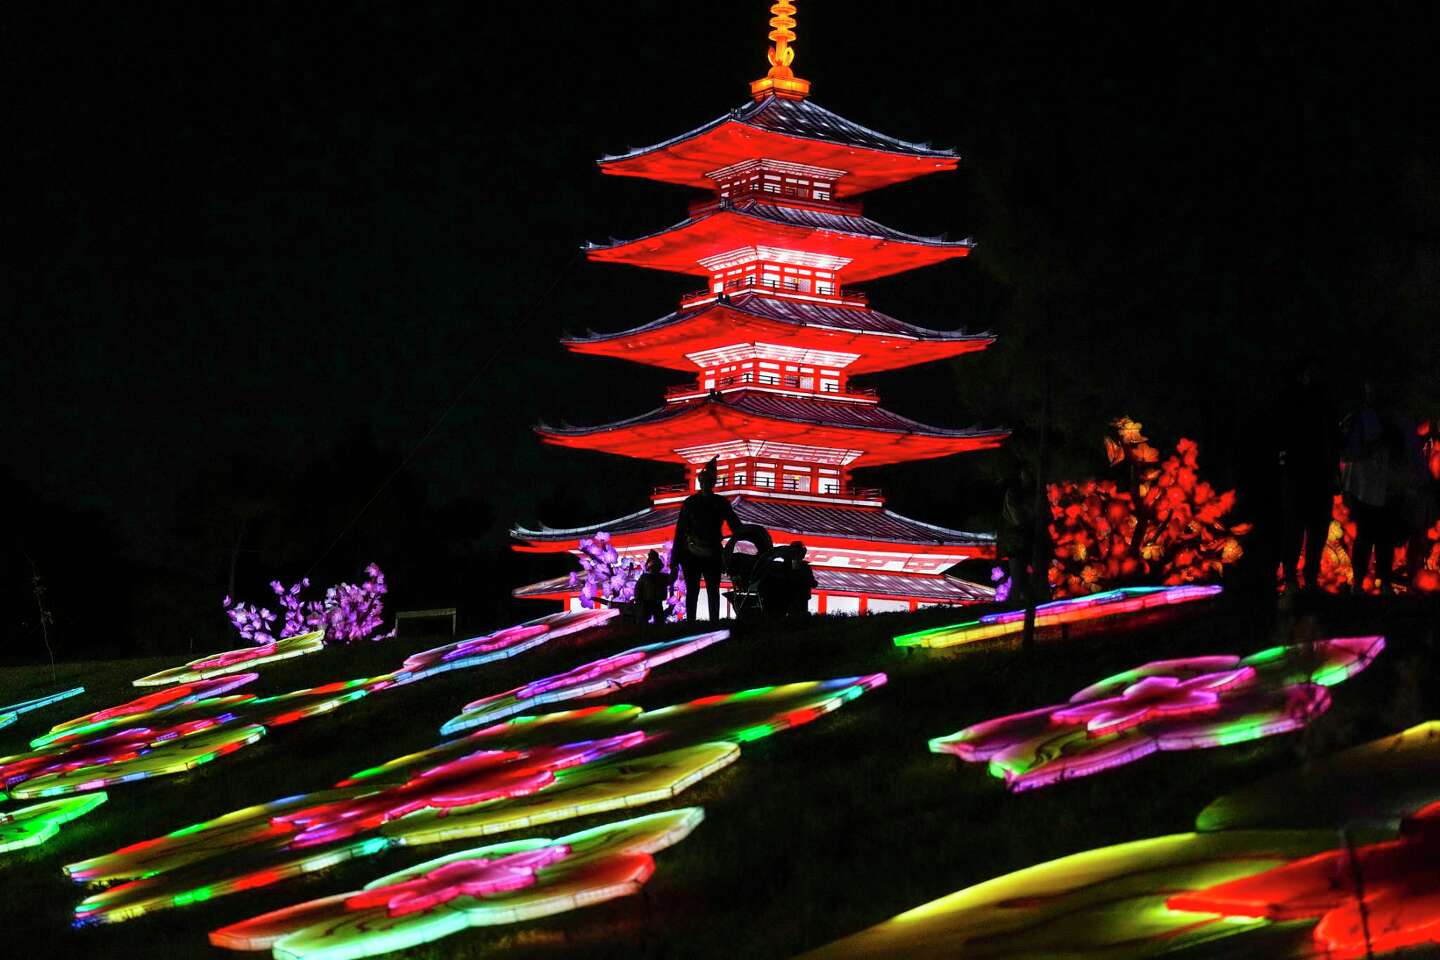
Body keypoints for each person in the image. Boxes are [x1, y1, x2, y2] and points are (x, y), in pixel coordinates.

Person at [1277, 360, 1338, 593]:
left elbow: (1332, 439)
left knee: (1315, 529)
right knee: (1297, 527)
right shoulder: (1292, 402)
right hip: (1300, 474)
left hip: (1317, 475)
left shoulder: (1324, 404)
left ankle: (1308, 577)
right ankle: (1293, 577)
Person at [670, 458, 741, 622]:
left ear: (713, 483)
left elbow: (735, 524)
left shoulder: (721, 503)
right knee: (692, 589)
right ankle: (691, 622)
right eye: (702, 481)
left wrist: (742, 534)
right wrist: (674, 559)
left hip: (712, 550)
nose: (705, 484)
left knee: (713, 590)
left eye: (708, 481)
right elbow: (680, 531)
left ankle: (713, 622)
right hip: (691, 551)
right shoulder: (690, 503)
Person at [1341, 381, 1393, 593]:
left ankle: (1384, 581)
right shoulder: (1359, 418)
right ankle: (1359, 581)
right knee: (1365, 536)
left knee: (1385, 537)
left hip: (1387, 487)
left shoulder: (1392, 419)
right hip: (1364, 489)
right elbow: (1348, 453)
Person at [761, 541, 817, 620]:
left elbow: (798, 577)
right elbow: (795, 576)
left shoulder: (789, 565)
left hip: (793, 598)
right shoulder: (795, 565)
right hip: (792, 598)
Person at [633, 550, 671, 625]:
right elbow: (637, 589)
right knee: (645, 620)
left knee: (658, 621)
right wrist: (638, 599)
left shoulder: (662, 577)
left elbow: (671, 579)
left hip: (656, 602)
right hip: (646, 602)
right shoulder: (645, 577)